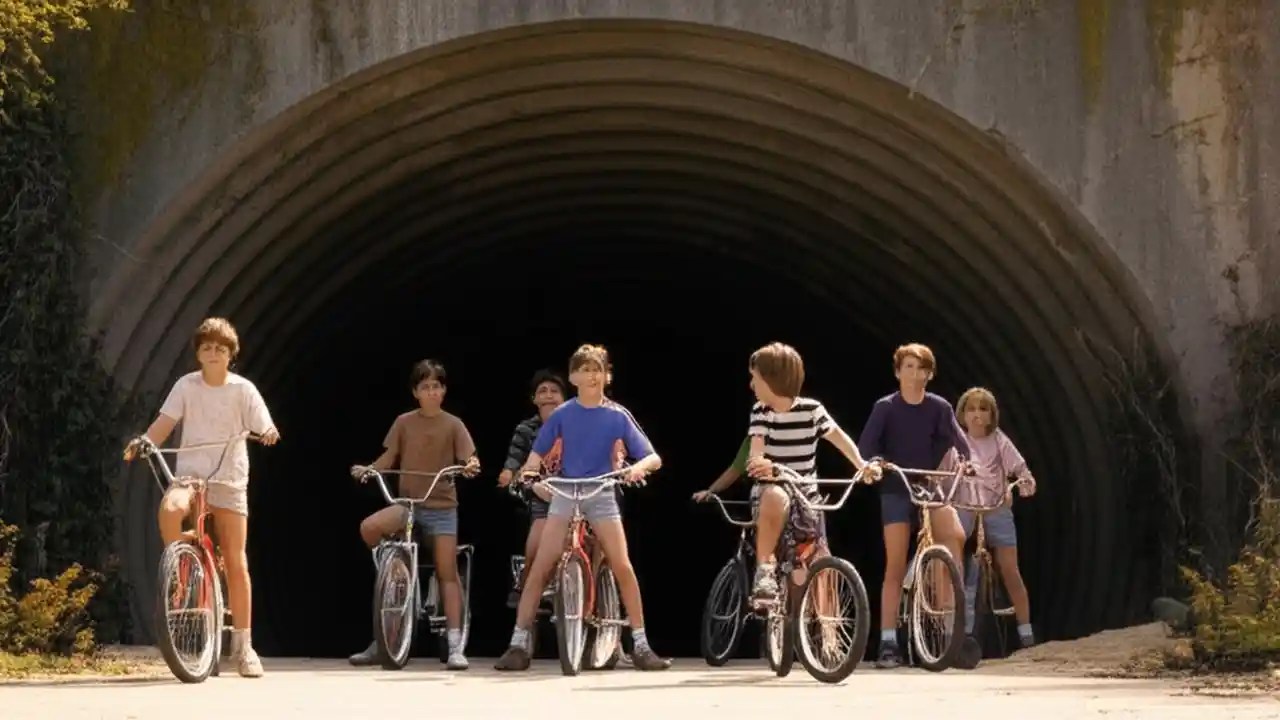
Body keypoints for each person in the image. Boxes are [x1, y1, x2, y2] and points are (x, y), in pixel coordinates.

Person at [494, 344, 670, 671]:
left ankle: (642, 644)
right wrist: (529, 471)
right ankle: (518, 643)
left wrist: (638, 468)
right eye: (584, 369)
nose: (591, 375)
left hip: (601, 491)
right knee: (542, 563)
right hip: (565, 491)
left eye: (597, 369)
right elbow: (537, 453)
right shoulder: (562, 414)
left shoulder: (617, 415)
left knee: (621, 563)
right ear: (573, 376)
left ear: (607, 375)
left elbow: (653, 456)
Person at [124, 317, 280, 678]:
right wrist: (146, 441)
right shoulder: (186, 386)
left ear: (230, 355)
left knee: (236, 560)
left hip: (228, 478)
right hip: (191, 476)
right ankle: (181, 571)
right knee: (169, 508)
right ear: (198, 353)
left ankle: (244, 647)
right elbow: (165, 421)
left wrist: (268, 431)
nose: (213, 354)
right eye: (207, 347)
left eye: (220, 349)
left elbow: (263, 423)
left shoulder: (243, 390)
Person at [347, 359, 480, 670]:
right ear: (415, 392)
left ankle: (455, 643)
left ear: (444, 391)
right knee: (370, 527)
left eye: (436, 386)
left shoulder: (454, 424)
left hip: (442, 507)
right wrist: (370, 469)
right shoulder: (404, 422)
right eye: (425, 387)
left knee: (447, 571)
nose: (431, 391)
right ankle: (391, 589)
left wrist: (471, 466)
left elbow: (469, 458)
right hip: (408, 504)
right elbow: (389, 456)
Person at [858, 343, 972, 669]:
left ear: (930, 374)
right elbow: (867, 447)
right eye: (908, 367)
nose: (914, 374)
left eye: (921, 368)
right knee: (895, 564)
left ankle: (952, 632)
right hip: (896, 486)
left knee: (954, 534)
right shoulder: (885, 407)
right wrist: (878, 463)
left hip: (928, 485)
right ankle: (889, 642)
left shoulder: (939, 407)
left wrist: (968, 463)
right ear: (898, 372)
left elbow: (960, 443)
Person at [735, 342, 875, 602]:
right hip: (771, 489)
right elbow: (756, 455)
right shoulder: (761, 412)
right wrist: (764, 465)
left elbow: (839, 438)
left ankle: (829, 635)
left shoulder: (811, 410)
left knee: (820, 565)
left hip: (805, 495)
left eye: (755, 378)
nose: (751, 385)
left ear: (772, 379)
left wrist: (862, 465)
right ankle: (765, 571)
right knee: (776, 496)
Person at [941, 387, 1038, 651]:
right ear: (963, 413)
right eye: (971, 409)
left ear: (992, 415)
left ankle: (1026, 632)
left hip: (995, 508)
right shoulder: (957, 441)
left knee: (1010, 569)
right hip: (964, 506)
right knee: (954, 566)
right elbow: (942, 470)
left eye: (983, 409)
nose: (977, 415)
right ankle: (956, 631)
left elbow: (1021, 470)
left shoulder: (999, 441)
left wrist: (1021, 484)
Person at [497, 369, 569, 607]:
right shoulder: (526, 429)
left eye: (555, 391)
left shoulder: (577, 426)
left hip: (576, 493)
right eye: (543, 391)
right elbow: (514, 459)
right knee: (538, 539)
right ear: (534, 399)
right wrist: (509, 473)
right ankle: (526, 583)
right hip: (540, 493)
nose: (548, 396)